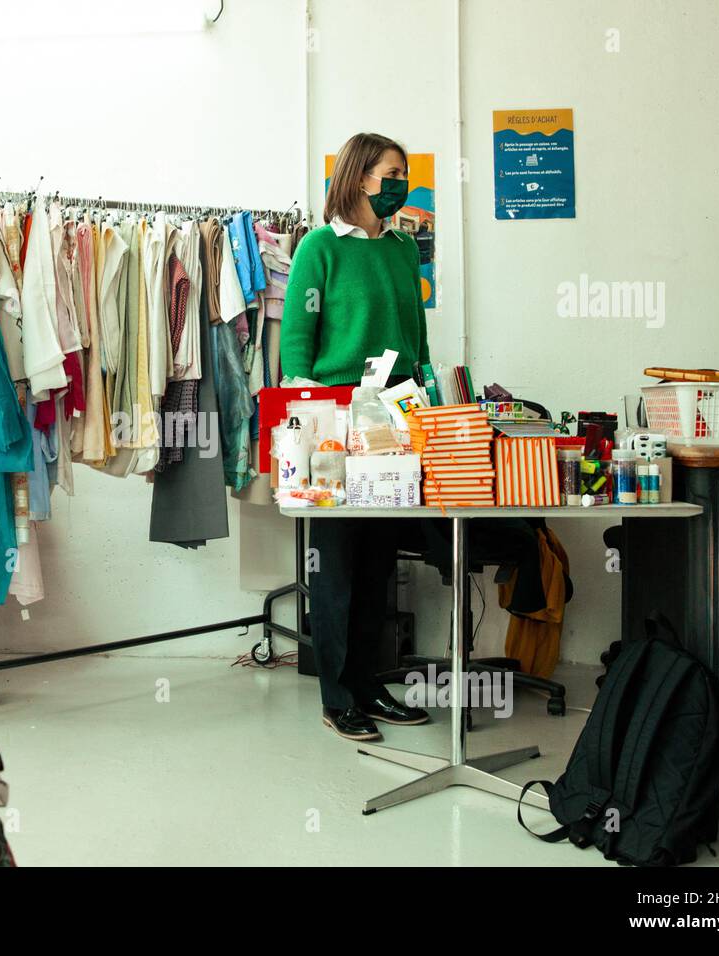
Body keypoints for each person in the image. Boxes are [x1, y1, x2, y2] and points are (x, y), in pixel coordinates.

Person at [280, 132, 432, 741]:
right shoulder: (320, 248)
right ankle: (338, 694)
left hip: (395, 415)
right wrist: (308, 422)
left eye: (406, 173)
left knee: (378, 562)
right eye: (393, 172)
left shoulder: (400, 248)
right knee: (338, 565)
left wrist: (425, 393)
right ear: (361, 177)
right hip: (337, 416)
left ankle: (371, 684)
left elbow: (415, 334)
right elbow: (298, 338)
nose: (402, 183)